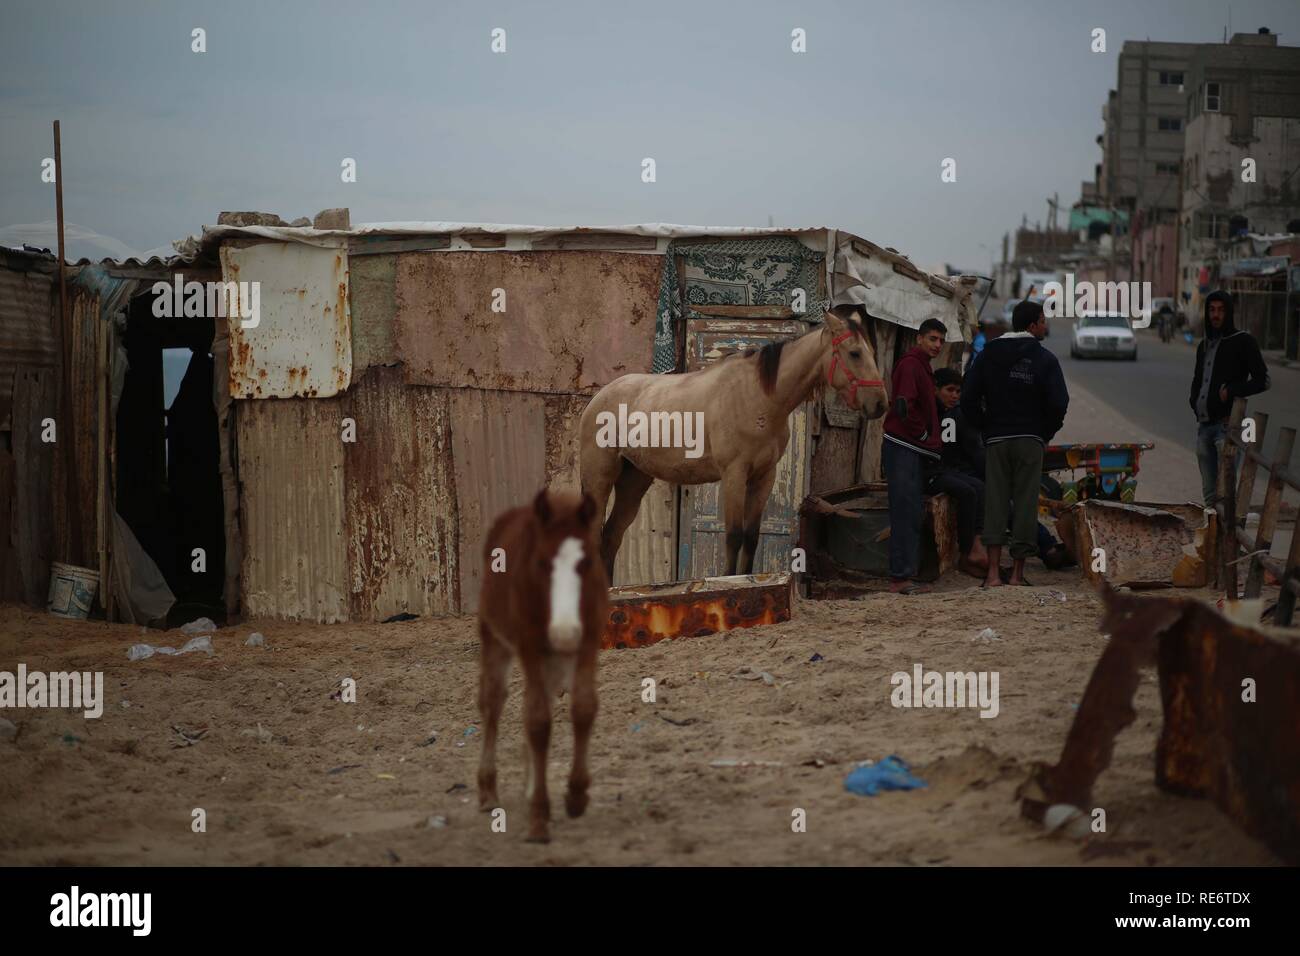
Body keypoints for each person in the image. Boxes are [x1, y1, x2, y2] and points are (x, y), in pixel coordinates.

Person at [961, 299, 1069, 587]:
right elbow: (1059, 403)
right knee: (1024, 504)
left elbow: (967, 396)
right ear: (1033, 325)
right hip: (1029, 442)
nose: (1046, 325)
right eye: (1043, 320)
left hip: (997, 440)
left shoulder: (987, 354)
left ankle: (994, 574)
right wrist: (1043, 433)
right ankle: (1018, 575)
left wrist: (986, 427)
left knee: (995, 502)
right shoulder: (1045, 359)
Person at [882, 318, 947, 594]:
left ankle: (906, 573)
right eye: (932, 338)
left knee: (911, 511)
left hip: (913, 448)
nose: (937, 345)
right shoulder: (910, 364)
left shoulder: (923, 367)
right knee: (904, 511)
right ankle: (900, 578)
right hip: (903, 446)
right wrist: (921, 435)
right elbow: (902, 405)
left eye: (941, 341)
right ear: (919, 338)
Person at [1189, 290, 1269, 507]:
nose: (1216, 315)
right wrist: (1194, 402)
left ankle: (1226, 540)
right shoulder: (1203, 346)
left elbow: (1263, 381)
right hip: (1204, 429)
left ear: (1229, 313)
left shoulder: (1243, 341)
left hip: (1228, 429)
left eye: (1221, 310)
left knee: (1225, 497)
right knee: (1209, 499)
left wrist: (1232, 391)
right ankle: (1214, 541)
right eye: (1212, 310)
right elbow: (1198, 380)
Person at [927, 367, 988, 577]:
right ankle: (966, 552)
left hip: (946, 469)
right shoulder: (928, 411)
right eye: (949, 390)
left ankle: (977, 545)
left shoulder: (953, 414)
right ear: (935, 389)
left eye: (958, 391)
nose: (954, 395)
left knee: (979, 487)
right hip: (928, 472)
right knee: (968, 492)